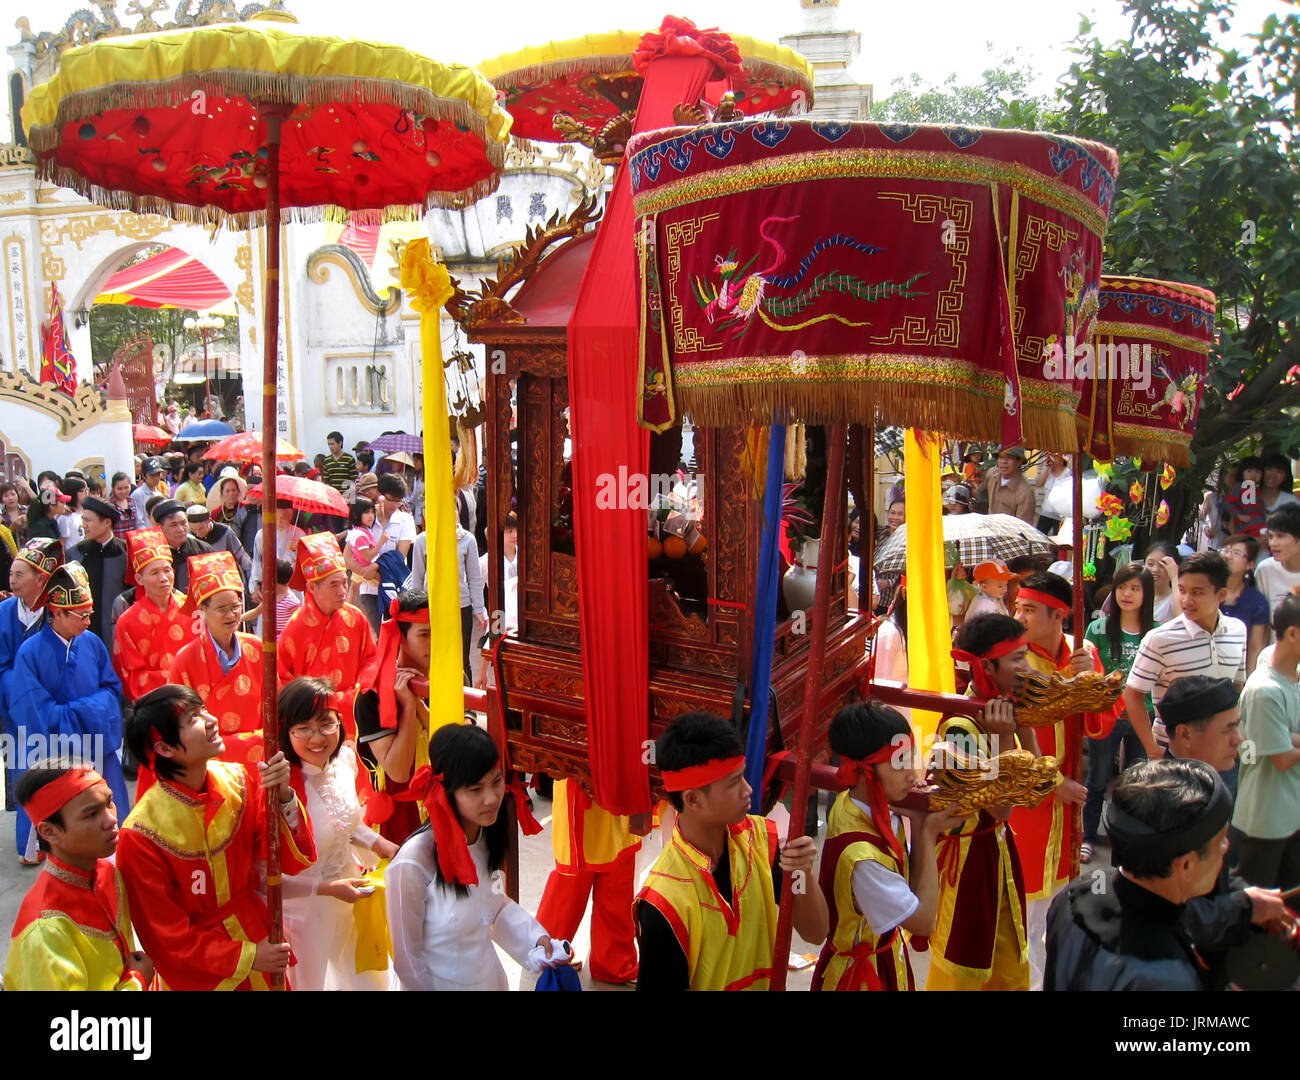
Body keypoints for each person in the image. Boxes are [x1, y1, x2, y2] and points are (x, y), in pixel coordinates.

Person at [116, 685, 316, 991]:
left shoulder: (237, 782)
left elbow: (284, 859)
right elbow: (165, 937)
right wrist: (248, 956)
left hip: (257, 935)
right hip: (204, 970)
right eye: (194, 717)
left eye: (203, 709)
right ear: (164, 749)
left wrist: (284, 796)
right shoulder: (141, 834)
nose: (211, 720)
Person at [635, 711, 829, 990]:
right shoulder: (665, 901)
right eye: (734, 782)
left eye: (743, 776)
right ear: (693, 799)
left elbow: (816, 932)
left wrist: (803, 873)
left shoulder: (763, 840)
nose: (748, 789)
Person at [386, 723, 572, 990]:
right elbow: (408, 961)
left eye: (496, 782)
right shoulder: (413, 863)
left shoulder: (486, 836)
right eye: (475, 790)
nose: (491, 798)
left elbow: (495, 906)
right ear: (446, 791)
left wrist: (536, 939)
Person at [1157, 675, 1295, 989]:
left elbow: (1213, 882)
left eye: (1238, 725)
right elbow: (1167, 918)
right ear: (1185, 734)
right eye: (1228, 728)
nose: (1239, 739)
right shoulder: (1161, 808)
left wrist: (1248, 894)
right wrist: (1246, 907)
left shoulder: (1208, 787)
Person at [1010, 571, 1114, 989]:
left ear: (1060, 616)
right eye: (1017, 607)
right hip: (1026, 799)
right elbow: (1008, 734)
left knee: (1059, 903)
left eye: (1029, 610)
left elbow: (1101, 726)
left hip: (1067, 806)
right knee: (1023, 908)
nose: (1019, 617)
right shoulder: (1014, 659)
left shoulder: (1083, 652)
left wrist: (1088, 683)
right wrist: (1052, 784)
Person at [1046, 758, 1232, 990]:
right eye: (1220, 842)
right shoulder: (1166, 977)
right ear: (1185, 865)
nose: (1227, 847)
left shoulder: (1080, 890)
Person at [813, 702, 960, 991]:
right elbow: (922, 922)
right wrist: (927, 834)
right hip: (861, 977)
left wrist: (919, 825)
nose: (912, 773)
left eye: (911, 757)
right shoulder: (862, 857)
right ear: (865, 771)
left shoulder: (857, 801)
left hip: (884, 957)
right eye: (899, 762)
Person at [930, 613, 1034, 991]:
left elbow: (1036, 783)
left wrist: (1025, 723)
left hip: (998, 849)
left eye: (1026, 656)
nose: (1027, 667)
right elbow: (1001, 808)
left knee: (1005, 955)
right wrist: (1007, 739)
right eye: (1017, 660)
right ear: (986, 667)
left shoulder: (1004, 709)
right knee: (966, 963)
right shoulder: (963, 726)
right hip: (970, 857)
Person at [279, 676, 397, 991]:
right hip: (304, 913)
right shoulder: (280, 791)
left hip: (352, 897)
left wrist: (381, 844)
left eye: (326, 724)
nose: (317, 738)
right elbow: (265, 877)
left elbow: (344, 823)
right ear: (285, 731)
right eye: (303, 728)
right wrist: (329, 888)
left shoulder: (344, 760)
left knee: (366, 981)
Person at [9, 563, 130, 864]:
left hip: (94, 736)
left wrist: (76, 713)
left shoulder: (92, 643)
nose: (89, 622)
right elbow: (31, 707)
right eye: (82, 615)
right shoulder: (30, 651)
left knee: (106, 801)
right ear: (57, 612)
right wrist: (81, 715)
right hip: (49, 744)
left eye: (89, 613)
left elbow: (111, 690)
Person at [3, 763, 153, 990]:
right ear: (49, 832)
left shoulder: (108, 872)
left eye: (109, 803)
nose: (111, 819)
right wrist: (137, 981)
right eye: (92, 814)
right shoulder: (45, 932)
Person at [1124, 551, 1248, 762]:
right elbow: (1133, 695)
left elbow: (1236, 687)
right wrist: (1152, 749)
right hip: (1173, 754)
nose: (1186, 600)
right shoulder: (1159, 639)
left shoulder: (1238, 630)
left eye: (1197, 592)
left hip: (1221, 754)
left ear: (1221, 595)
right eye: (1181, 590)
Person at [1081, 561, 1154, 863]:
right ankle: (1087, 837)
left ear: (1146, 594)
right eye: (1122, 587)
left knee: (1136, 781)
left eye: (1135, 588)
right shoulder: (1098, 629)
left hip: (1143, 716)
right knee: (1097, 779)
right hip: (1105, 717)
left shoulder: (1156, 633)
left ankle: (1126, 837)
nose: (1126, 594)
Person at [536, 778, 642, 985]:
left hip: (621, 791)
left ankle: (614, 962)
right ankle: (551, 948)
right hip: (581, 789)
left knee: (618, 877)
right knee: (572, 882)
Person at [167, 551, 264, 768]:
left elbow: (275, 705)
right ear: (203, 609)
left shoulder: (256, 648)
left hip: (260, 759)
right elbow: (179, 721)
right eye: (222, 609)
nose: (231, 616)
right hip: (212, 763)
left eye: (236, 607)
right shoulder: (185, 660)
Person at [277, 532, 376, 740]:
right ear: (312, 587)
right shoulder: (295, 628)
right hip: (313, 723)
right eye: (334, 585)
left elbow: (371, 661)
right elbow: (283, 680)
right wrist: (318, 705)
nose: (342, 591)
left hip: (355, 716)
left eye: (344, 582)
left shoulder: (355, 617)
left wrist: (356, 696)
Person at [1232, 594, 1300, 894]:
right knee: (1254, 912)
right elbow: (1282, 758)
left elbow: (1287, 743)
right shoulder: (1264, 690)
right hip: (1265, 819)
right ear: (1293, 634)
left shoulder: (1293, 680)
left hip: (1291, 814)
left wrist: (1287, 737)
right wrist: (1285, 740)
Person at [355, 588, 431, 844]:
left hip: (446, 808)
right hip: (401, 820)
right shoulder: (372, 694)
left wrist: (418, 705)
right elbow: (398, 771)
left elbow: (456, 743)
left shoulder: (451, 678)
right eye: (425, 634)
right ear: (401, 636)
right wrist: (408, 709)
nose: (436, 642)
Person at [112, 527, 197, 709]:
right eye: (154, 573)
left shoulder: (191, 609)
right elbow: (131, 675)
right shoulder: (127, 622)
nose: (164, 578)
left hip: (195, 702)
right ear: (139, 579)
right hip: (154, 707)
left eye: (167, 570)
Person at [68, 495, 128, 653]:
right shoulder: (75, 554)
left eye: (88, 521)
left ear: (107, 522)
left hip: (117, 631)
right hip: (83, 631)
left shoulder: (126, 553)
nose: (83, 525)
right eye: (83, 520)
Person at [1220, 533, 1270, 673]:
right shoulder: (1207, 590)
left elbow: (1255, 647)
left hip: (1237, 676)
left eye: (1236, 553)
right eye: (1226, 550)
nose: (1228, 556)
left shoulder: (1256, 602)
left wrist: (1248, 684)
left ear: (1250, 564)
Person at [249, 499, 306, 609]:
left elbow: (306, 564)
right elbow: (257, 562)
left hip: (292, 587)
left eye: (283, 517)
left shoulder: (299, 534)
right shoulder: (262, 534)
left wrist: (299, 550)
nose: (280, 521)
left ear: (291, 516)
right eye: (277, 517)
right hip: (270, 584)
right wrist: (255, 586)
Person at [344, 495, 385, 636]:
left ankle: (346, 615)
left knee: (353, 591)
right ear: (356, 515)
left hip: (362, 572)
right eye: (366, 513)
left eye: (372, 512)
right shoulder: (361, 535)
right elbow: (368, 556)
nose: (371, 516)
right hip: (368, 573)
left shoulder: (357, 532)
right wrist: (382, 542)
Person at [151, 498, 211, 593]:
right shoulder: (153, 555)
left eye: (184, 523)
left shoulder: (203, 549)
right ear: (160, 527)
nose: (180, 529)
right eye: (173, 525)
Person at [1255, 504, 1300, 618]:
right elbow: (1261, 621)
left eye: (1281, 536)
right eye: (1270, 536)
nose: (1273, 543)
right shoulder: (1265, 570)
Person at [186, 503, 251, 578]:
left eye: (201, 529)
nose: (197, 533)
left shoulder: (225, 532)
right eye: (194, 530)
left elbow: (242, 557)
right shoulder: (189, 537)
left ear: (209, 520)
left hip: (226, 576)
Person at [206, 466, 259, 560]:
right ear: (222, 493)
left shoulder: (246, 509)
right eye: (227, 491)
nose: (231, 494)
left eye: (234, 490)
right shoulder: (216, 513)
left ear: (238, 492)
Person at [981, 447, 1035, 523]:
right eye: (1001, 457)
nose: (1004, 462)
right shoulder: (992, 475)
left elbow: (1023, 527)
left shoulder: (1025, 493)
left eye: (1009, 458)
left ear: (1019, 461)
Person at [1221, 456, 1267, 537]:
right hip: (1244, 525)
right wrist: (1239, 515)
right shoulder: (1240, 488)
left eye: (1257, 472)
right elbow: (1227, 502)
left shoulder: (1256, 490)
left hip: (1257, 523)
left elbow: (1261, 506)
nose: (1253, 475)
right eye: (1249, 471)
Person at [1141, 540, 1181, 624]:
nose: (1155, 570)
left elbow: (1181, 618)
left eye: (1162, 565)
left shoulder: (1174, 597)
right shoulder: (1137, 594)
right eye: (1150, 564)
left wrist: (1174, 577)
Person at [1034, 452, 1071, 535]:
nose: (1051, 458)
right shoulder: (1048, 471)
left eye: (1055, 456)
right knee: (1040, 536)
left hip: (1061, 514)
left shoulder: (1068, 473)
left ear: (1062, 460)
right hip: (1046, 512)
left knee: (1057, 540)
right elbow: (1039, 484)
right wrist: (1047, 468)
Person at [129, 457, 169, 527]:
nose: (156, 478)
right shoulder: (137, 495)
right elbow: (138, 521)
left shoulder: (159, 494)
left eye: (158, 474)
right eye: (152, 475)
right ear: (144, 476)